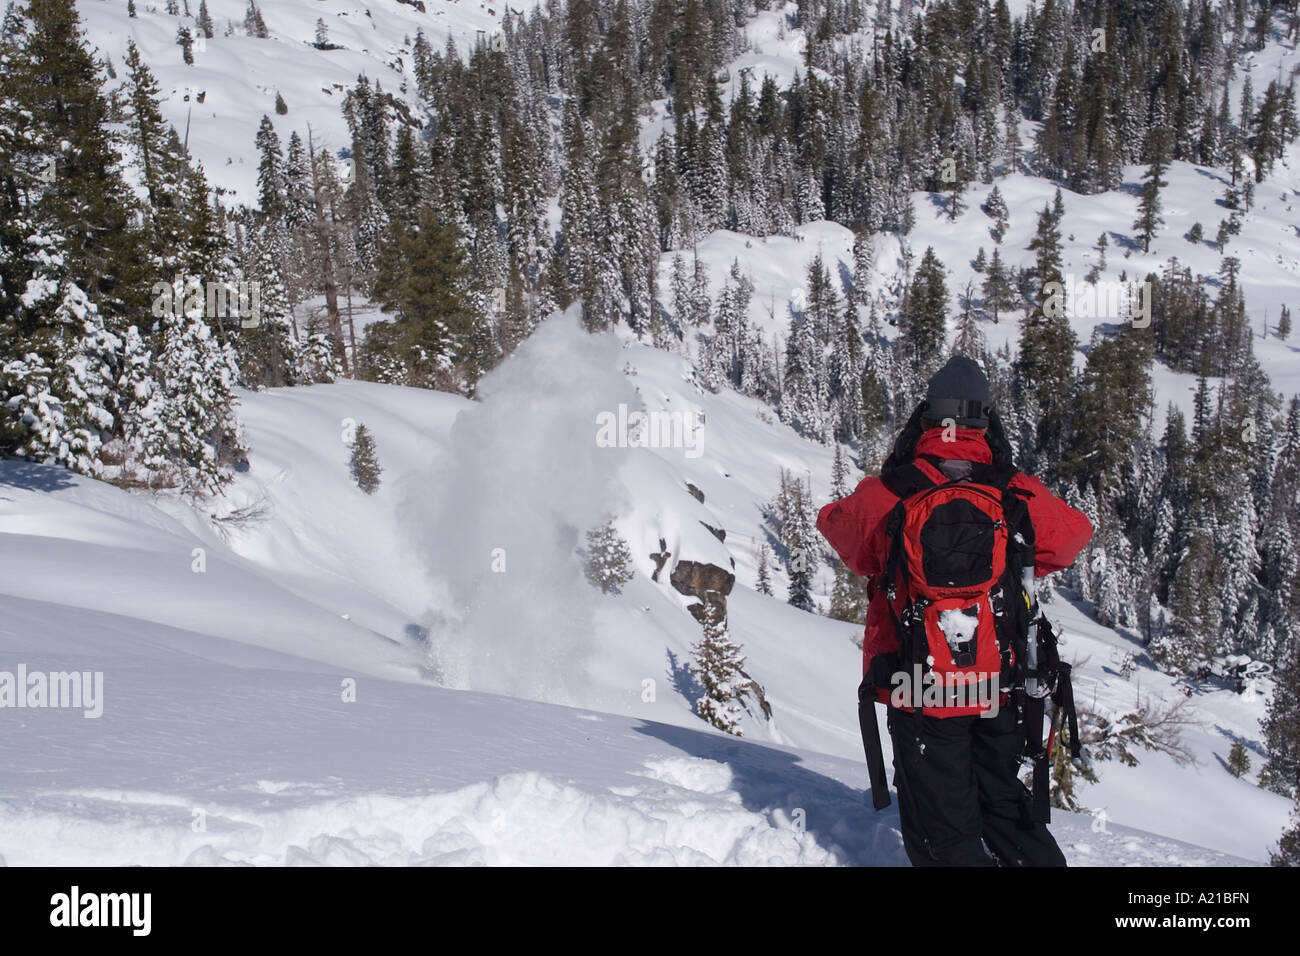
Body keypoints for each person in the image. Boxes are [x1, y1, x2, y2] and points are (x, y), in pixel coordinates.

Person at [817, 355, 1092, 866]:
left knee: (943, 824)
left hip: (918, 683)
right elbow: (1074, 536)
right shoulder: (1014, 493)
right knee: (1007, 806)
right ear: (985, 423)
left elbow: (835, 527)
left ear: (926, 419)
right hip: (1001, 682)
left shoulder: (891, 494)